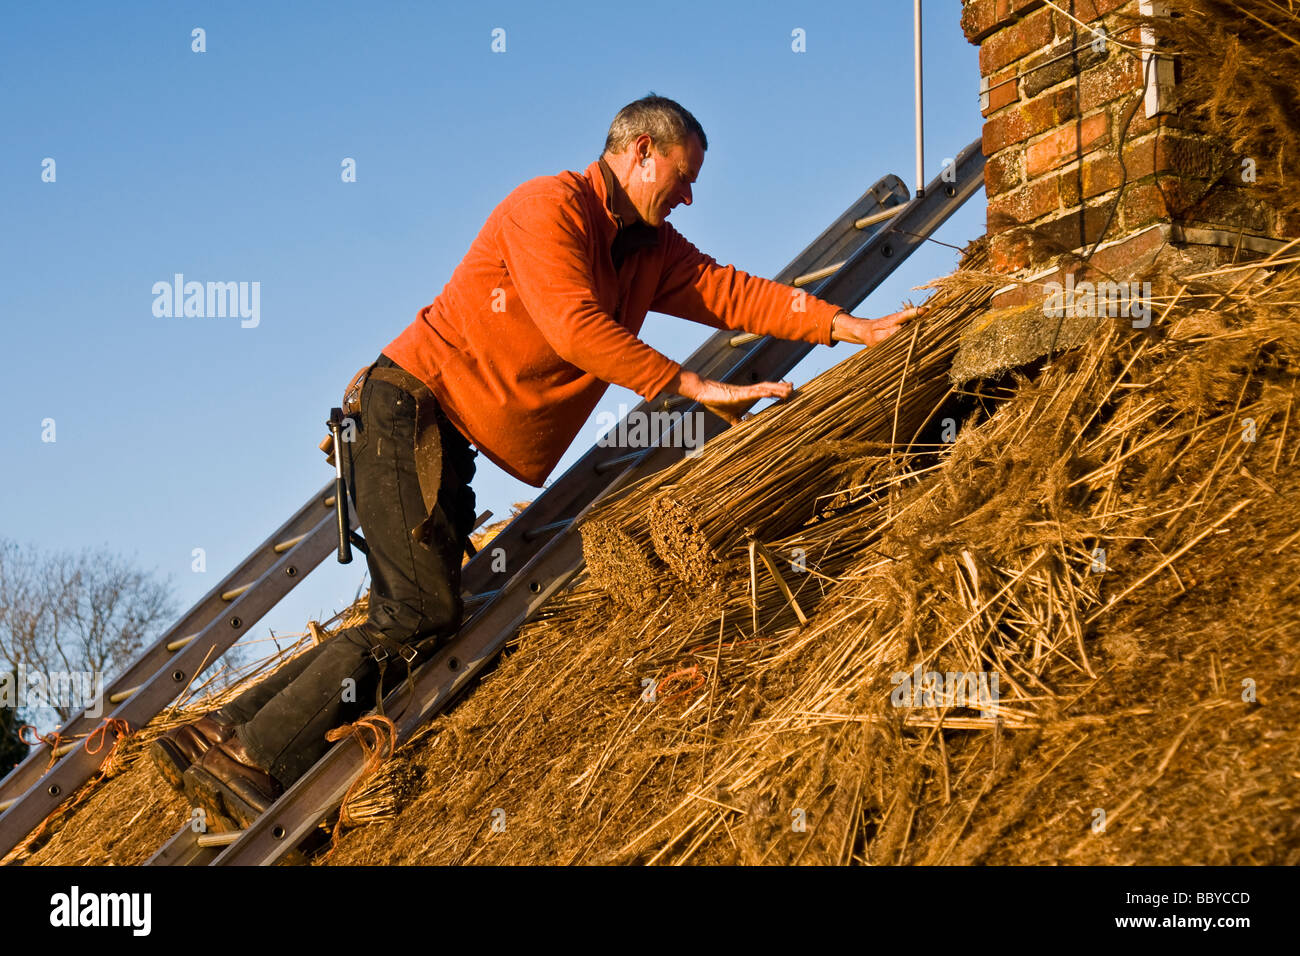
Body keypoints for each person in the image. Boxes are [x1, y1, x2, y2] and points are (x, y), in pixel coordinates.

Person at [149, 94, 922, 828]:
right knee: (419, 612)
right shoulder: (546, 207)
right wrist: (684, 383)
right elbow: (571, 324)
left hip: (446, 438)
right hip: (406, 409)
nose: (688, 199)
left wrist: (853, 330)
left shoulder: (650, 249)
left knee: (414, 610)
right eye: (683, 179)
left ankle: (217, 733)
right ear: (641, 151)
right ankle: (254, 756)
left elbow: (733, 292)